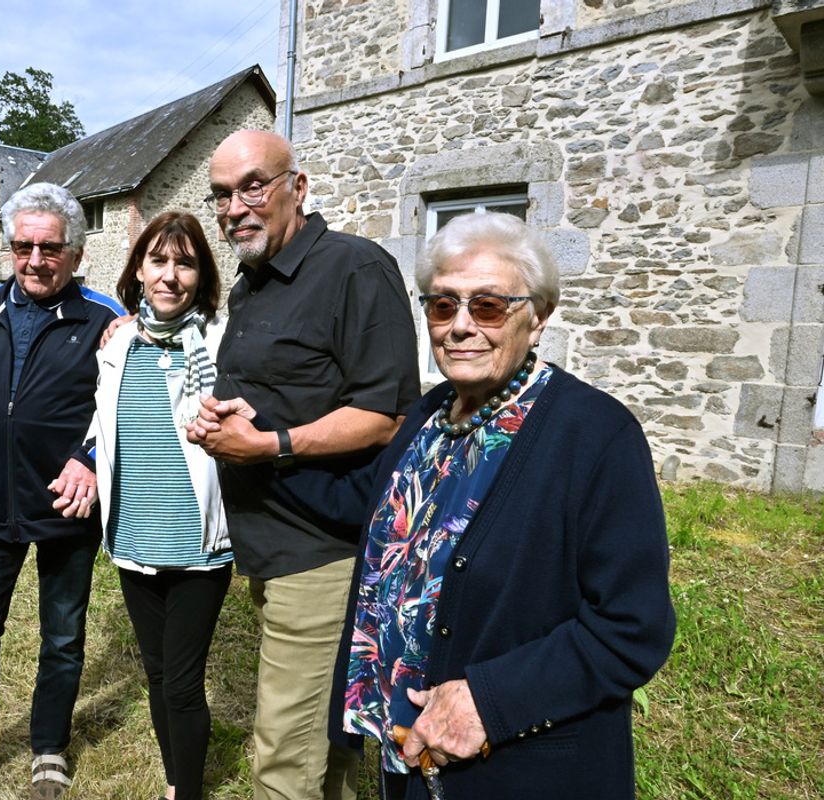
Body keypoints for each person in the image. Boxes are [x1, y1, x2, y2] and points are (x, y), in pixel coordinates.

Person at [319, 211, 676, 799]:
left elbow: (633, 627)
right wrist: (262, 453)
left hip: (513, 771)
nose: (460, 326)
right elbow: (371, 516)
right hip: (407, 755)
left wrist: (488, 700)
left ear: (537, 319)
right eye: (442, 305)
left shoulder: (595, 436)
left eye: (487, 307)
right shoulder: (428, 418)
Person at [185, 129, 420, 800]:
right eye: (223, 195)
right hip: (270, 544)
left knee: (282, 763)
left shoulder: (353, 269)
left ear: (298, 188)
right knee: (326, 745)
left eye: (253, 185)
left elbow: (385, 416)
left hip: (322, 551)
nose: (236, 208)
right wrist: (221, 419)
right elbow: (279, 396)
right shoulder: (250, 285)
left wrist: (272, 447)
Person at [0, 182, 123, 800]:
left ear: (77, 254)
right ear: (10, 247)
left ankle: (47, 748)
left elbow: (123, 411)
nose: (35, 260)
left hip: (65, 507)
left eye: (50, 248)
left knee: (62, 637)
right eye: (23, 246)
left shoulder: (104, 321)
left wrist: (90, 460)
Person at [53, 211, 232, 800]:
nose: (171, 275)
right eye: (159, 260)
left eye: (185, 262)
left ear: (202, 273)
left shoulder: (221, 342)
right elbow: (103, 425)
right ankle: (177, 778)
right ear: (138, 269)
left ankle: (187, 794)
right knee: (156, 674)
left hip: (197, 542)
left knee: (181, 683)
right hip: (132, 535)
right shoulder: (120, 341)